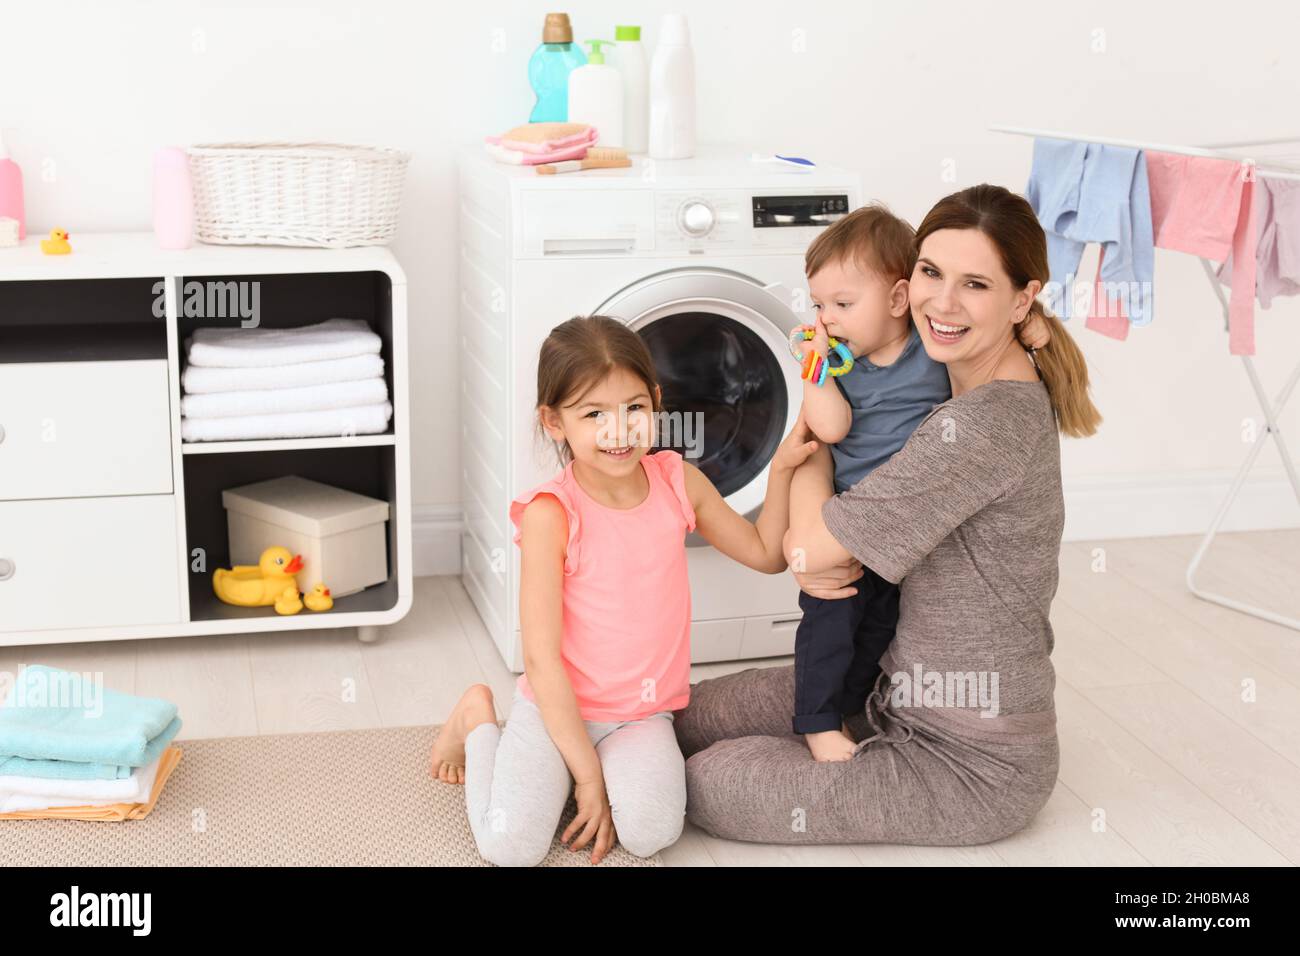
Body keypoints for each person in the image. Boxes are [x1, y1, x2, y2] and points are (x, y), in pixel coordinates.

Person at [672, 184, 1102, 845]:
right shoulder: (953, 384)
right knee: (681, 716)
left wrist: (815, 446)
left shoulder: (983, 426)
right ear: (906, 280)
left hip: (968, 761)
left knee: (707, 778)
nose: (942, 302)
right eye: (931, 273)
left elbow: (815, 555)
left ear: (1023, 299)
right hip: (880, 687)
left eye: (976, 285)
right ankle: (536, 736)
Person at [431, 315, 818, 865]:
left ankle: (571, 773)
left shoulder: (676, 481)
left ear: (657, 401)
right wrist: (589, 779)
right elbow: (541, 662)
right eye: (594, 414)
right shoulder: (550, 513)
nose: (619, 431)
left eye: (634, 408)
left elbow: (765, 553)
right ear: (554, 421)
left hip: (640, 714)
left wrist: (779, 472)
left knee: (651, 830)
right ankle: (477, 723)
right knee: (510, 847)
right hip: (554, 707)